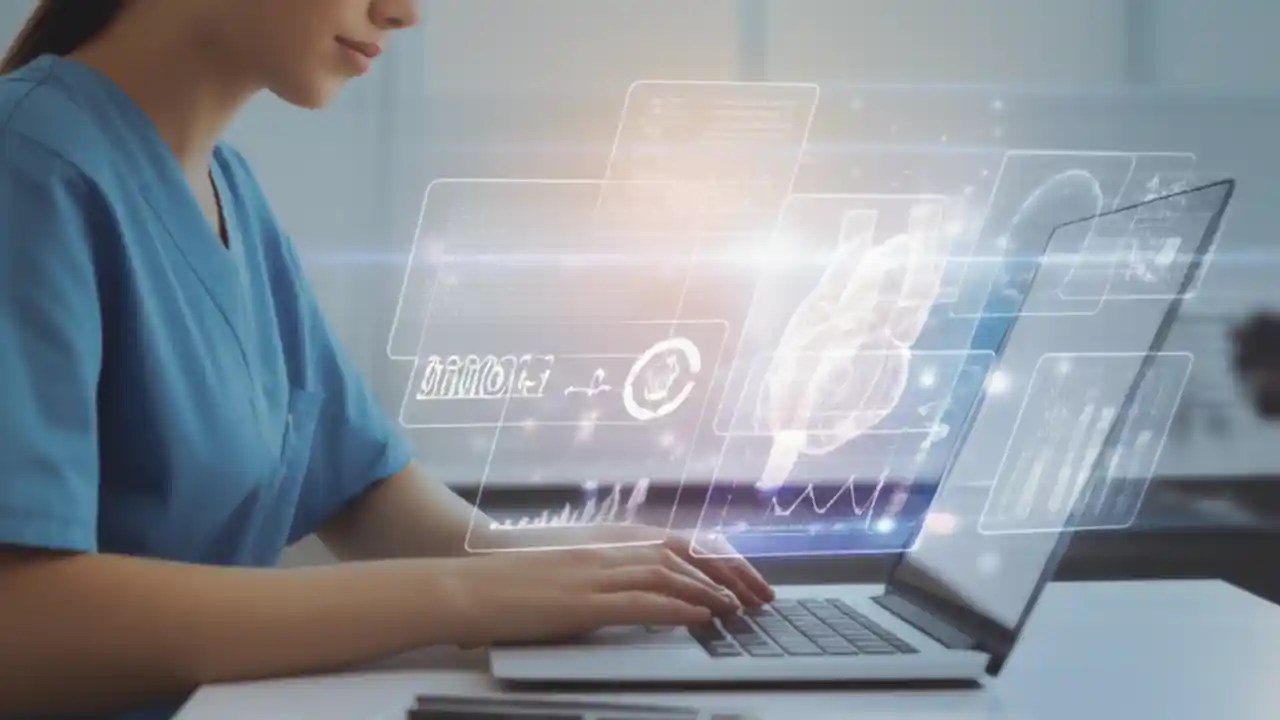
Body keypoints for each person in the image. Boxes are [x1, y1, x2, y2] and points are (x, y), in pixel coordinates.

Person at [0, 2, 773, 718]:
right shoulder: (27, 165)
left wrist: (588, 562)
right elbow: (22, 621)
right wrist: (469, 594)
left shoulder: (225, 190)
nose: (403, 11)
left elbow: (375, 500)